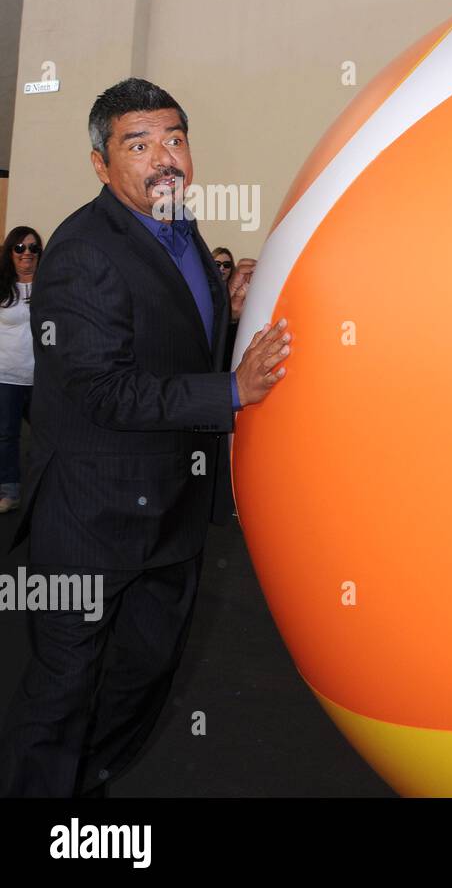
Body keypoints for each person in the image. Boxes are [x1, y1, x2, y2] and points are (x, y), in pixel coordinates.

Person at [0, 77, 292, 797]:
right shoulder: (79, 252)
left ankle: (84, 791)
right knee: (60, 696)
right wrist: (232, 389)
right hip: (90, 519)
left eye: (174, 138)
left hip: (172, 516)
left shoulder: (181, 228)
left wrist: (222, 306)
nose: (164, 156)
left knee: (142, 680)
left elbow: (170, 335)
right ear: (102, 163)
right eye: (139, 143)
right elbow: (103, 386)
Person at [0, 226, 42, 513]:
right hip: (7, 376)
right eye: (19, 248)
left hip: (44, 379)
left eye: (32, 248)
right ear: (10, 252)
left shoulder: (51, 286)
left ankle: (46, 491)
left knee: (48, 437)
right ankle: (10, 491)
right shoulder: (2, 288)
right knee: (6, 436)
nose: (26, 253)